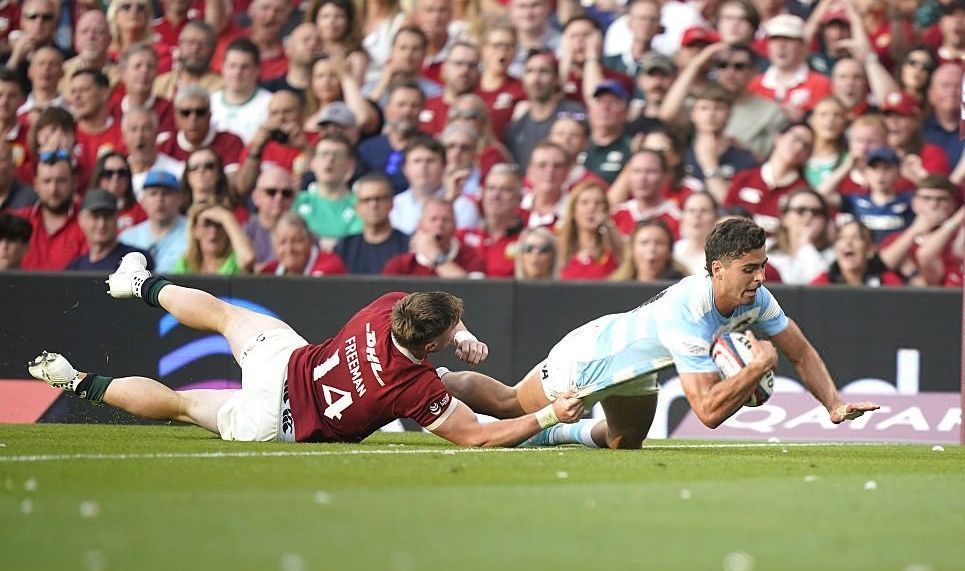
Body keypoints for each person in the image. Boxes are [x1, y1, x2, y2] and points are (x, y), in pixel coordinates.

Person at [27, 254, 583, 446]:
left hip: (285, 363)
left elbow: (433, 316)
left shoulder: (385, 307)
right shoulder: (414, 387)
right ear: (431, 344)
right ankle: (78, 381)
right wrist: (547, 414)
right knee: (179, 404)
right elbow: (479, 437)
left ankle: (141, 286)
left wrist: (457, 333)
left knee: (223, 315)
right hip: (281, 425)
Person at [441, 218, 881, 449]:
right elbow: (707, 412)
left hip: (637, 373)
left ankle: (553, 433)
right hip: (590, 359)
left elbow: (801, 353)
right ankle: (437, 382)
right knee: (505, 404)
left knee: (623, 443)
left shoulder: (756, 297)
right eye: (750, 269)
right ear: (717, 270)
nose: (761, 277)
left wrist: (834, 404)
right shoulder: (688, 311)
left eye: (762, 266)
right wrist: (759, 367)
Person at [333, 173, 410, 274]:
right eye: (366, 200)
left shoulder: (408, 245)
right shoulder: (344, 246)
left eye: (380, 199)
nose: (373, 205)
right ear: (357, 207)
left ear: (392, 203)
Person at [66, 188, 151, 272]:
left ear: (117, 218)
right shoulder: (75, 267)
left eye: (108, 216)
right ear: (81, 220)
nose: (102, 224)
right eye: (95, 217)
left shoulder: (136, 259)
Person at [173, 200, 255, 275]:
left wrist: (226, 217)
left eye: (219, 225)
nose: (213, 231)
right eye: (207, 224)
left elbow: (247, 259)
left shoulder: (234, 261)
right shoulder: (185, 264)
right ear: (195, 230)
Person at [260, 212, 348, 276]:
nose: (289, 249)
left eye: (296, 241)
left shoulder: (330, 265)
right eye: (282, 243)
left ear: (310, 240)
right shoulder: (269, 272)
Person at [609, 218, 687, 282]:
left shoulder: (684, 286)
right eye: (644, 243)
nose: (652, 248)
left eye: (659, 243)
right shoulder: (616, 286)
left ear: (669, 250)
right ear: (632, 249)